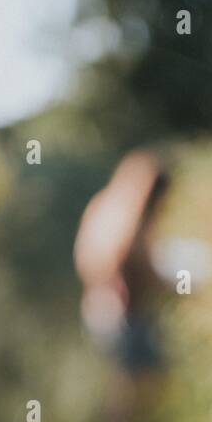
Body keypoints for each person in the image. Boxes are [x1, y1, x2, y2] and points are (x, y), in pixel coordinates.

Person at [74, 150, 170, 377]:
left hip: (98, 310)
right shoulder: (129, 220)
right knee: (139, 387)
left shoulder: (102, 206)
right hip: (125, 318)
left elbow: (87, 260)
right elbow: (128, 262)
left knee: (126, 386)